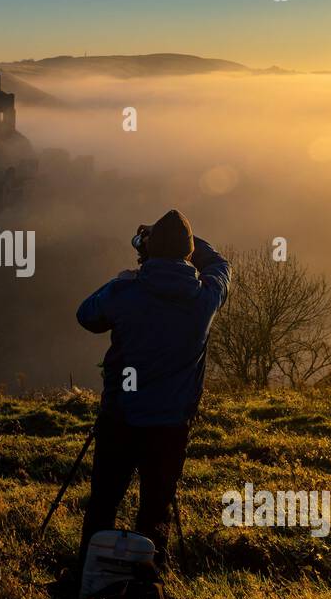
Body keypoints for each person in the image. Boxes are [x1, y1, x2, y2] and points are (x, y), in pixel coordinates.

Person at [75, 209, 231, 568]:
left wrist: (123, 280)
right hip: (171, 424)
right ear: (187, 253)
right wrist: (189, 240)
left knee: (104, 502)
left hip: (120, 417)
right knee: (156, 506)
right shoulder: (204, 299)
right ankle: (149, 580)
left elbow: (86, 316)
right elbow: (220, 263)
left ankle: (89, 574)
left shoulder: (124, 291)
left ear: (150, 250)